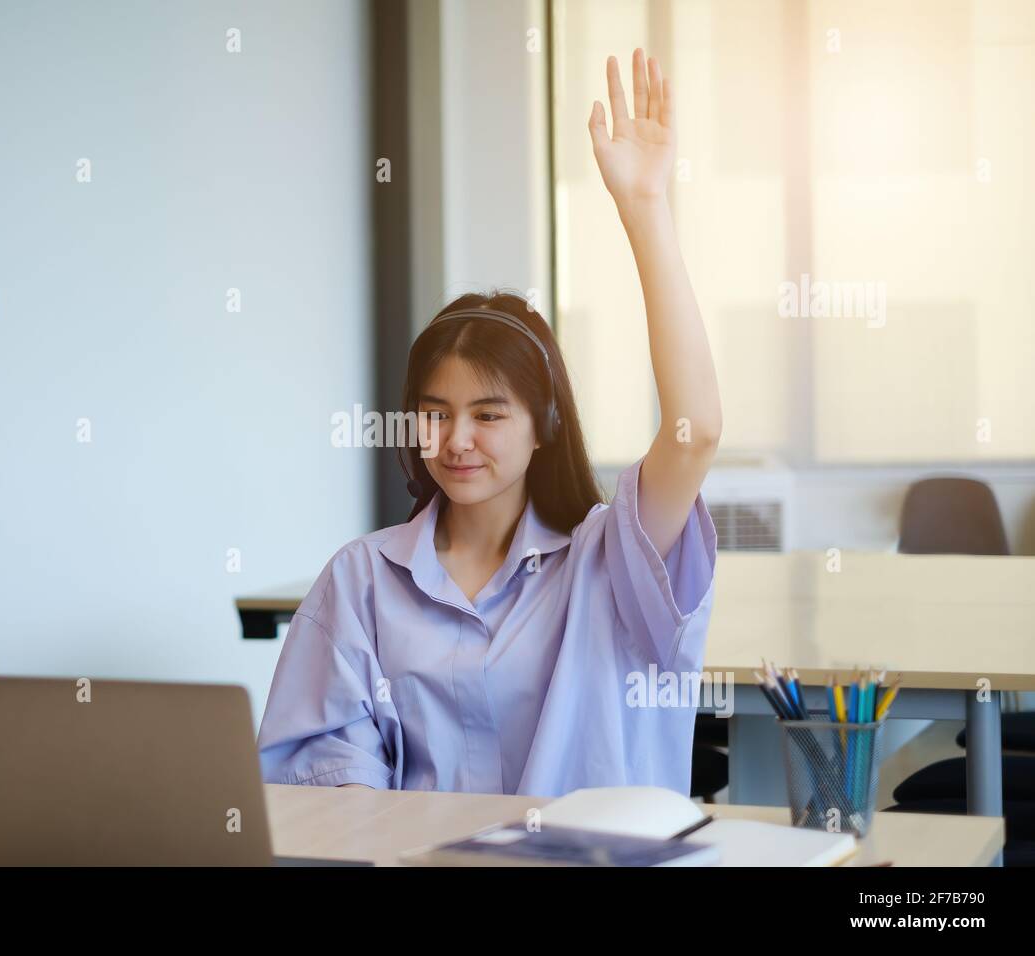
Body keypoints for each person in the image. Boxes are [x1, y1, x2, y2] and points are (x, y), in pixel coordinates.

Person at [257, 49, 722, 797]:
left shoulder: (611, 562)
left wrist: (645, 208)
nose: (455, 440)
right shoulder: (361, 581)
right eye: (433, 414)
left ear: (544, 423)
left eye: (488, 413)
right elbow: (327, 790)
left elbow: (694, 430)